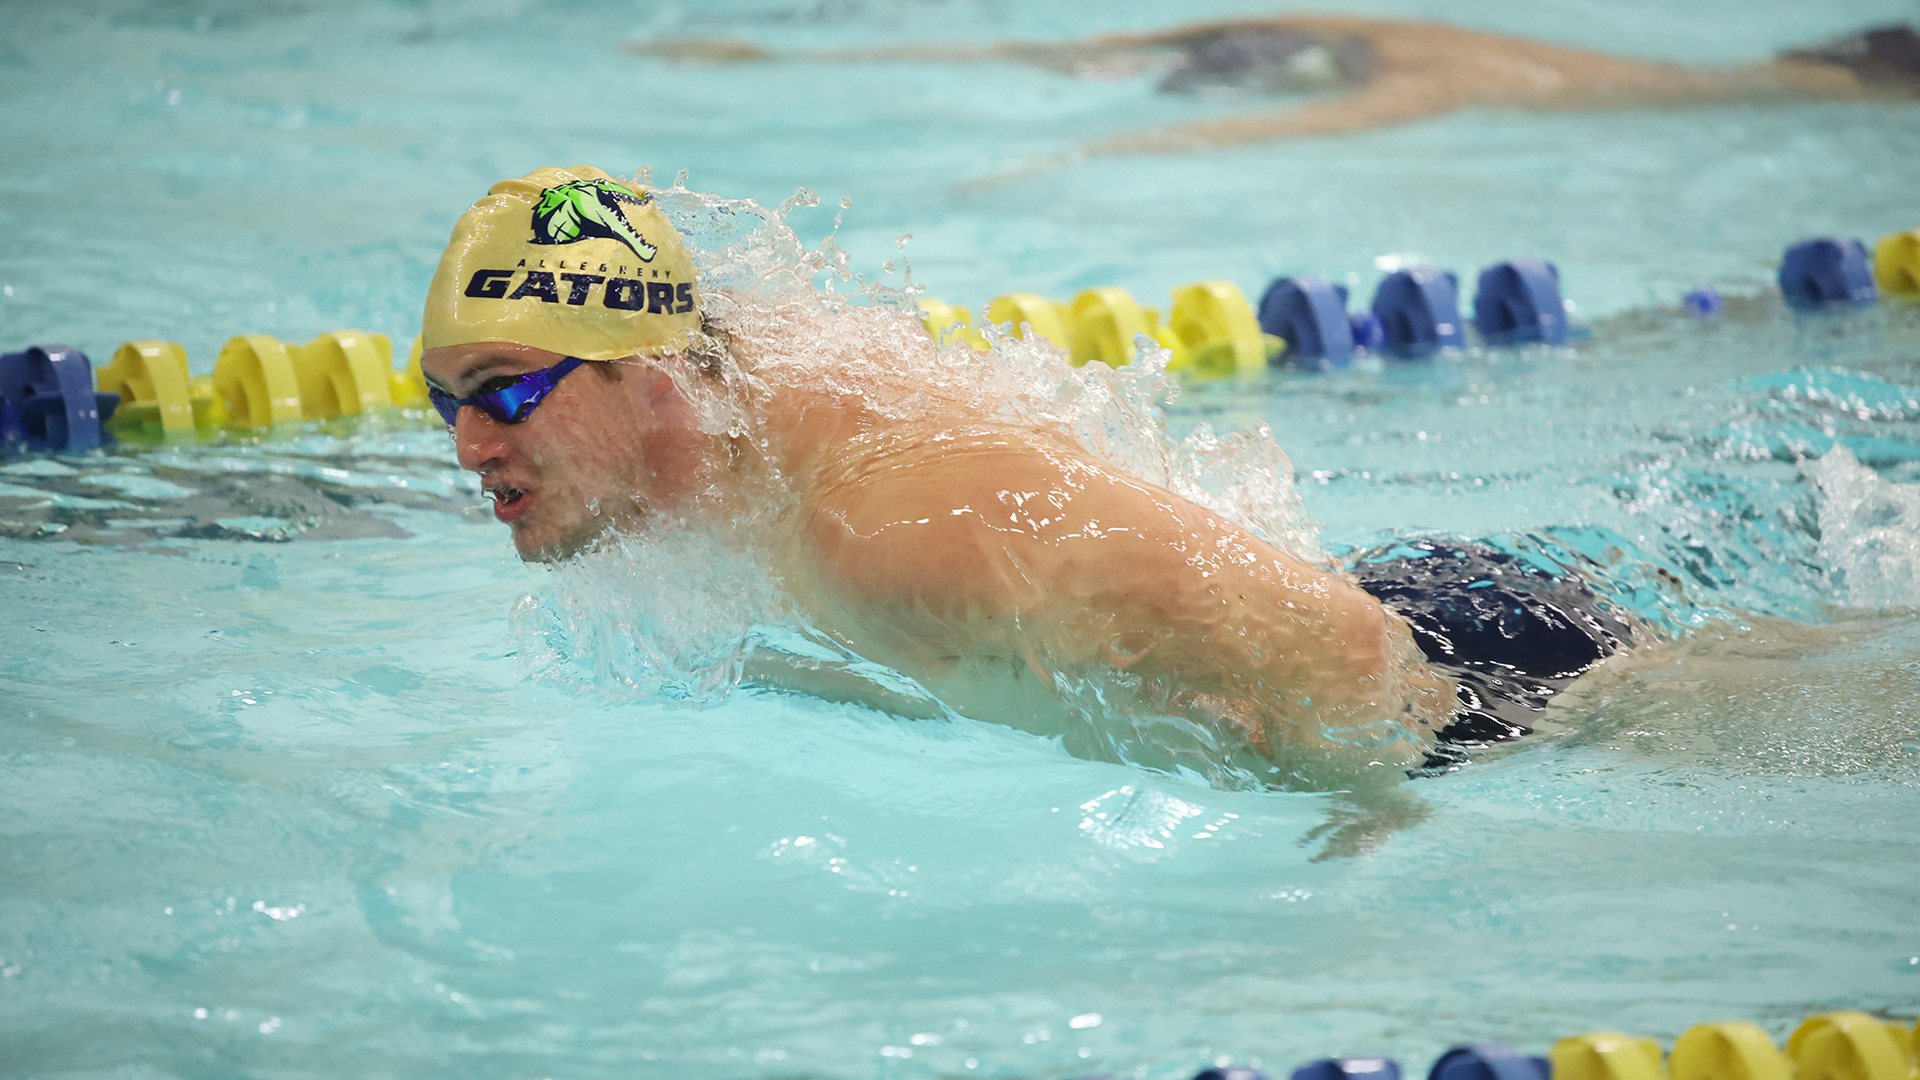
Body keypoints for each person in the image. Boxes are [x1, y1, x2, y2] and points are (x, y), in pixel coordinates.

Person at [419, 166, 1628, 786]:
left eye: (506, 390)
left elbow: (1350, 655)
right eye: (445, 396)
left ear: (651, 374)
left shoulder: (876, 532)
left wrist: (1373, 815)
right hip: (1381, 604)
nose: (471, 446)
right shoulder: (731, 400)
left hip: (1482, 672)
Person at [628, 17, 1919, 153]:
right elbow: (1290, 109)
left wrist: (1088, 156)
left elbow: (1263, 93)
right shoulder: (1409, 58)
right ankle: (774, 55)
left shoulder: (1410, 53)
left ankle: (770, 56)